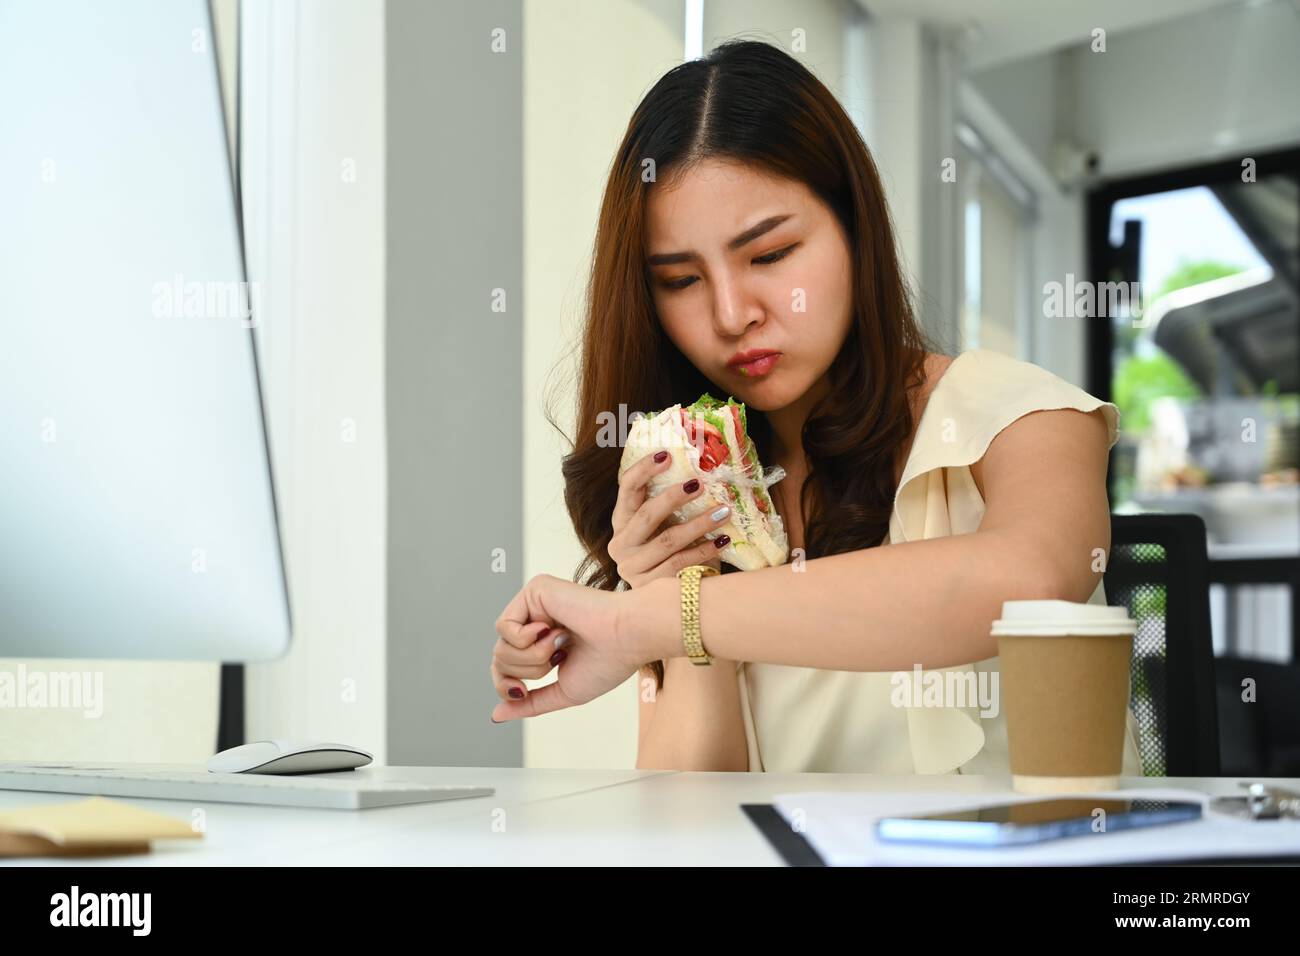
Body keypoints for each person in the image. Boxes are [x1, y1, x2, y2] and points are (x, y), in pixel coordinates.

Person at [489, 39, 1143, 776]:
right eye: (679, 280)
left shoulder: (1023, 414)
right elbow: (686, 826)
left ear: (855, 229)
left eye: (769, 256)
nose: (733, 314)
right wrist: (674, 598)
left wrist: (649, 621)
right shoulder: (696, 482)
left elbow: (1024, 581)